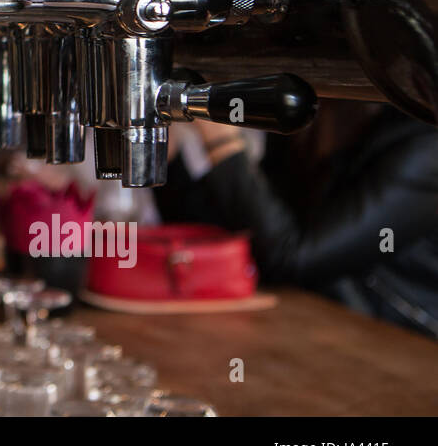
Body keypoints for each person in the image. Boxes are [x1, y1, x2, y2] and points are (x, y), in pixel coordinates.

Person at [154, 102, 438, 338]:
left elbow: (291, 259)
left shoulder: (426, 148)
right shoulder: (320, 118)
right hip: (312, 331)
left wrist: (222, 141)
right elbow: (245, 238)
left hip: (398, 348)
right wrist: (171, 162)